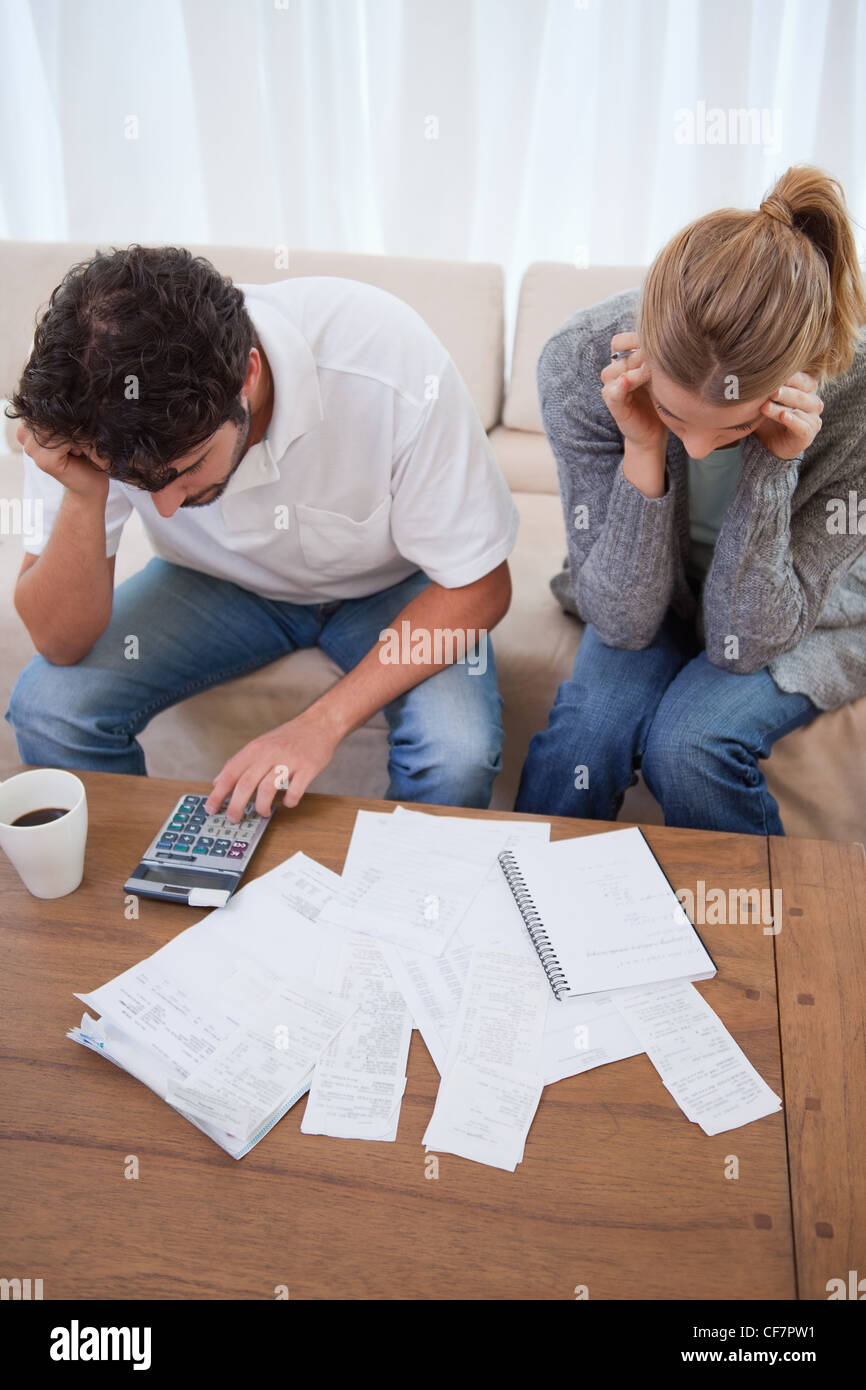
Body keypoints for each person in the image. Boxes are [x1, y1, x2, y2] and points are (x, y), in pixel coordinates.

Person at [6, 247, 517, 822]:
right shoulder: (79, 400)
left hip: (395, 590)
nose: (166, 510)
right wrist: (85, 493)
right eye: (134, 483)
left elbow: (483, 587)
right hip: (210, 585)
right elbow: (59, 643)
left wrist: (317, 726)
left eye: (183, 472)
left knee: (457, 756)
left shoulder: (388, 360)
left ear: (247, 376)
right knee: (49, 709)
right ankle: (143, 892)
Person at [515, 165, 866, 835]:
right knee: (586, 740)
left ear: (800, 376)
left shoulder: (859, 397)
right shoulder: (581, 361)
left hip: (808, 611)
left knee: (690, 748)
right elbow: (621, 621)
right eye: (679, 419)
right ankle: (530, 924)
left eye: (734, 429)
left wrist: (772, 464)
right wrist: (644, 448)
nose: (702, 450)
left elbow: (745, 644)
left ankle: (766, 937)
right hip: (662, 593)